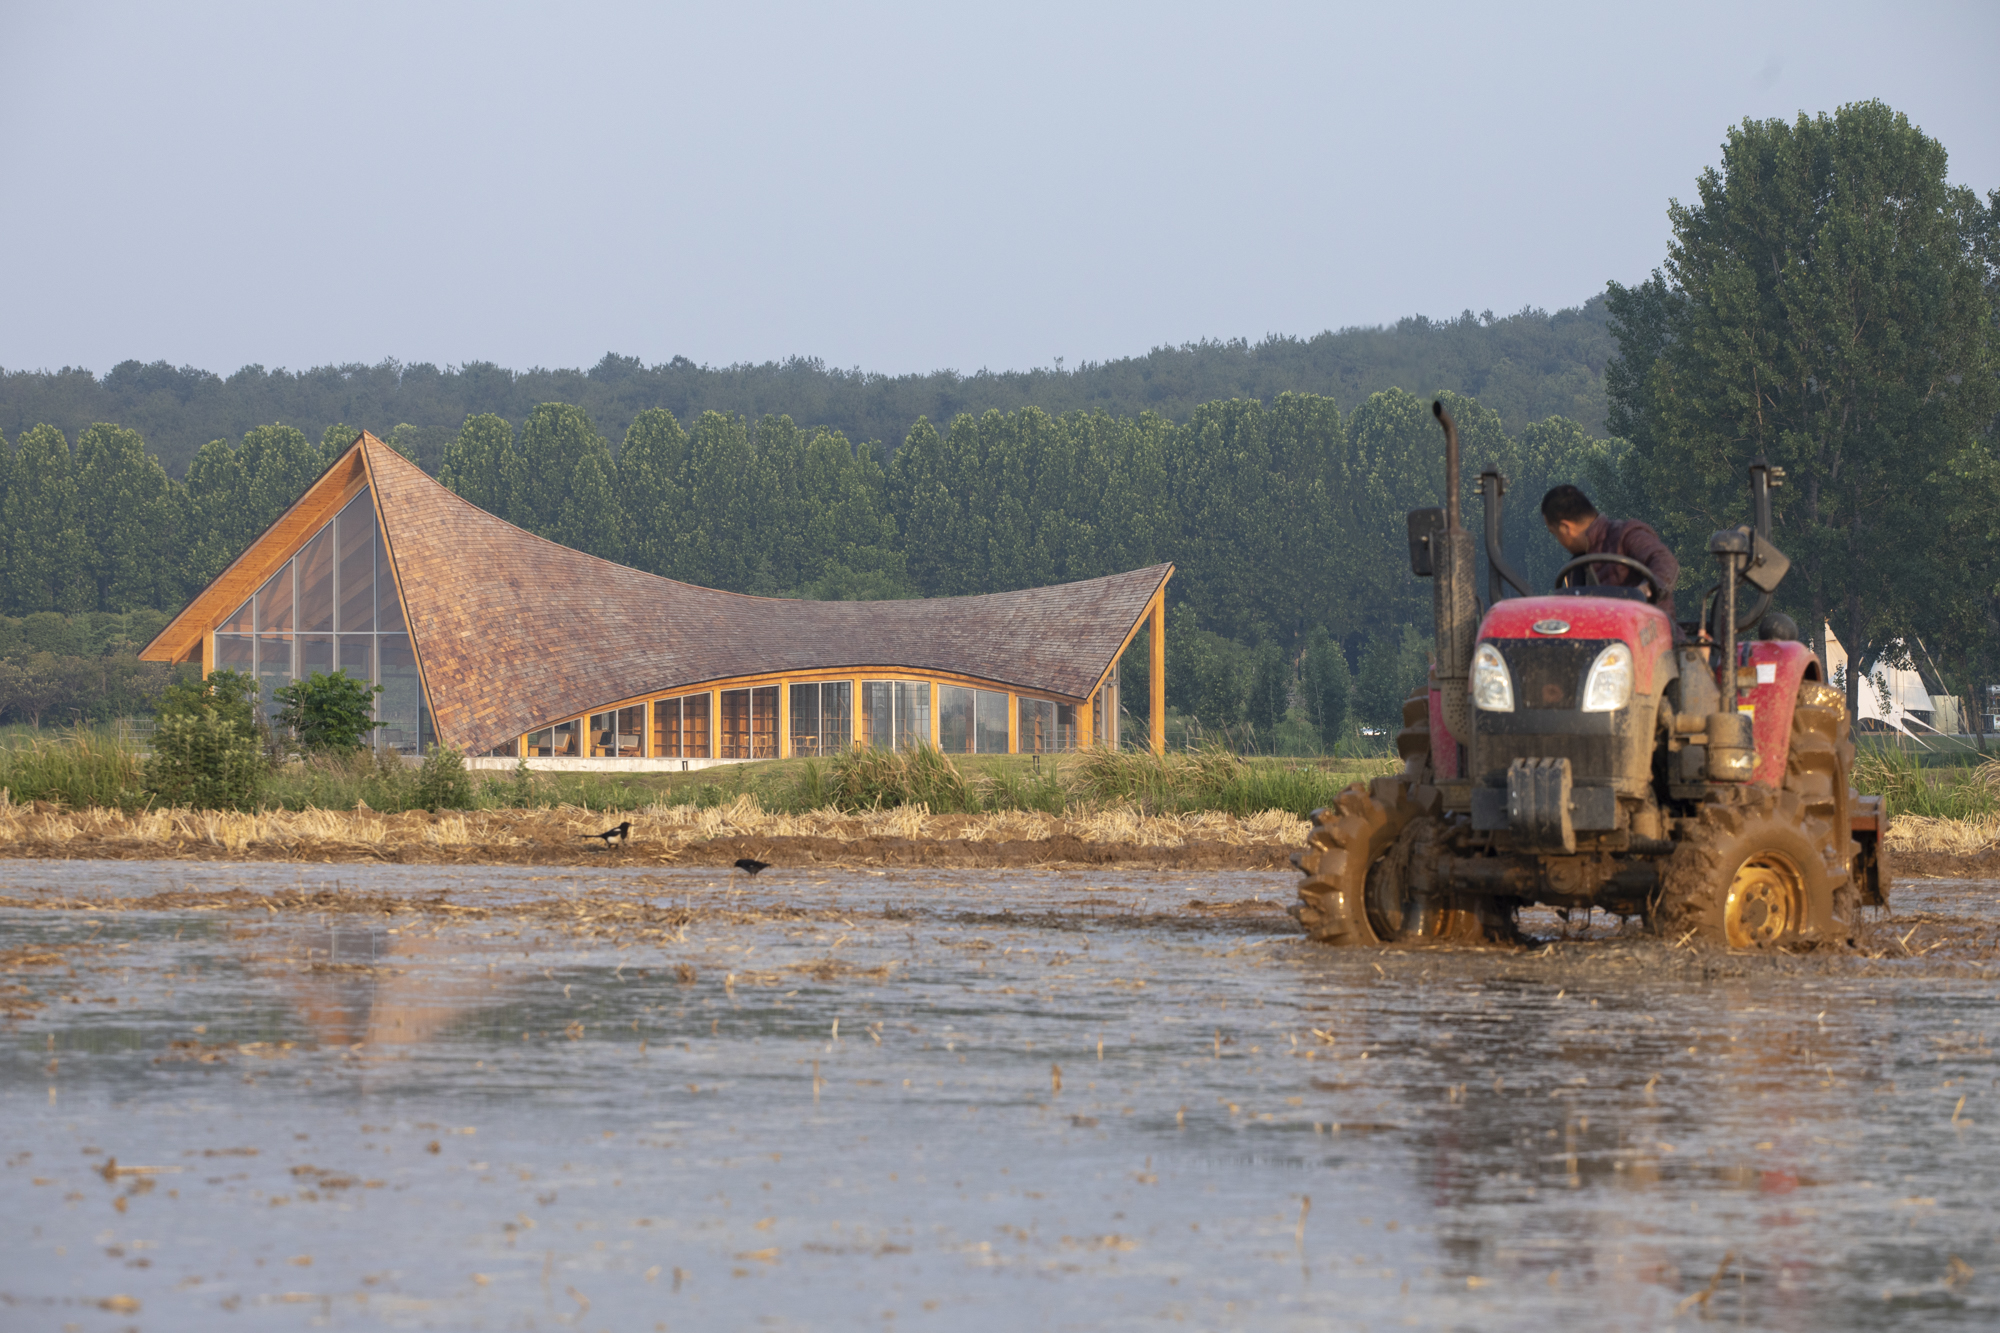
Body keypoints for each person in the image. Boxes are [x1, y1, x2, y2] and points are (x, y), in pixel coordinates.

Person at [1540, 485, 1680, 626]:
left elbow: (1665, 561)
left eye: (1555, 533)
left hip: (1652, 634)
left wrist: (1646, 589)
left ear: (1566, 528)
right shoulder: (1575, 568)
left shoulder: (1626, 534)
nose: (1559, 540)